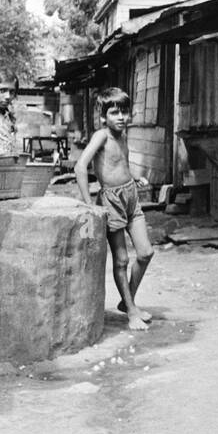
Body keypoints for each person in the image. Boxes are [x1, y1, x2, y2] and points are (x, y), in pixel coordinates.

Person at [76, 88, 153, 331]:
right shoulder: (102, 136)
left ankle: (126, 301)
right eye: (114, 113)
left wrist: (135, 177)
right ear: (103, 117)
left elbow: (119, 164)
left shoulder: (123, 135)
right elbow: (80, 167)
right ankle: (131, 311)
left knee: (145, 253)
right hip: (110, 201)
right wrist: (89, 204)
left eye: (125, 112)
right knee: (121, 259)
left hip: (131, 196)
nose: (121, 117)